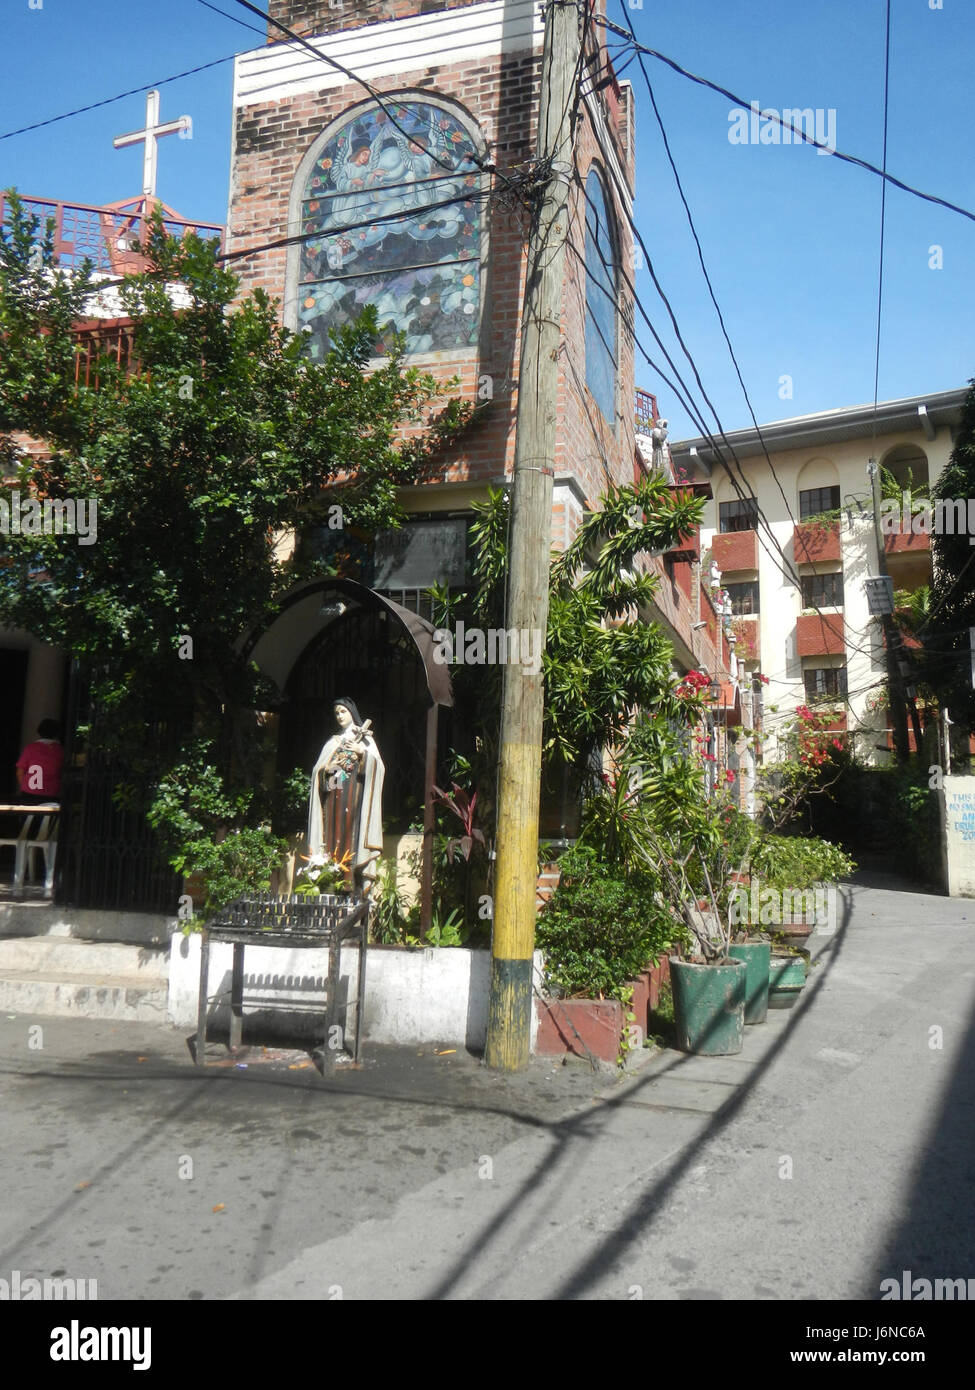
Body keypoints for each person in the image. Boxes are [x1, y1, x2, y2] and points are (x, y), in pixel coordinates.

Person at [307, 699, 384, 893]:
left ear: (351, 712)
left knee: (353, 837)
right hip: (335, 800)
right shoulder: (333, 742)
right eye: (337, 713)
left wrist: (362, 754)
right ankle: (333, 883)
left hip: (356, 799)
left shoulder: (365, 739)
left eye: (343, 711)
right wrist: (330, 768)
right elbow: (323, 776)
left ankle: (353, 885)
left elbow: (379, 769)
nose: (340, 716)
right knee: (335, 838)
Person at [15, 719, 63, 805]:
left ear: (39, 732)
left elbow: (20, 772)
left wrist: (26, 787)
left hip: (29, 794)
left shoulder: (31, 748)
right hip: (51, 794)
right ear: (57, 733)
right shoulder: (60, 751)